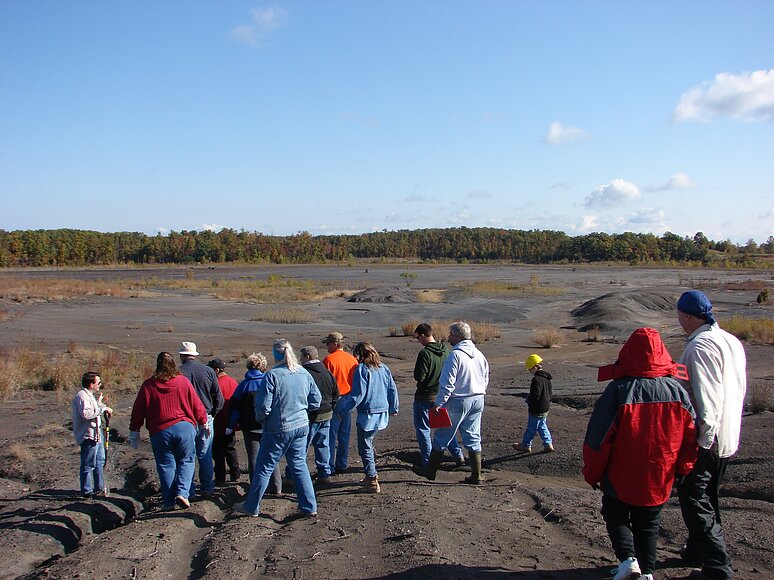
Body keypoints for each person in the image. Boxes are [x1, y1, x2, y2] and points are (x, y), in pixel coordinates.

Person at [583, 327, 698, 580]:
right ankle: (647, 572)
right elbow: (691, 435)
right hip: (660, 474)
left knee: (615, 515)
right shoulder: (677, 390)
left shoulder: (619, 390)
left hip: (621, 475)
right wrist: (683, 469)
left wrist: (592, 473)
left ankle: (628, 561)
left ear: (628, 352)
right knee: (648, 526)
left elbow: (598, 440)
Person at [676, 290, 747, 580]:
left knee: (695, 499)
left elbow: (706, 399)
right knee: (708, 497)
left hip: (708, 437)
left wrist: (701, 443)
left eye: (680, 314)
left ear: (688, 316)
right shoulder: (730, 341)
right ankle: (697, 549)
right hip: (729, 432)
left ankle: (717, 568)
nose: (679, 319)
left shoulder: (700, 347)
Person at [234, 339, 322, 518]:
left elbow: (262, 406)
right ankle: (309, 506)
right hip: (301, 426)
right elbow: (316, 400)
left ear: (275, 354)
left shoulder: (272, 375)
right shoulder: (303, 373)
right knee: (299, 465)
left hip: (278, 428)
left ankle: (251, 506)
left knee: (264, 467)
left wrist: (263, 421)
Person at [129, 352, 209, 510]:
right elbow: (196, 403)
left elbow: (138, 410)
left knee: (166, 465)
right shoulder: (182, 382)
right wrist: (203, 421)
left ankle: (169, 501)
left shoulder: (149, 385)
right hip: (184, 427)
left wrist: (134, 430)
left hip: (160, 431)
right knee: (186, 460)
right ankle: (183, 492)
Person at [414, 321, 489, 484]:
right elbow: (485, 377)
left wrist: (439, 404)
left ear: (457, 336)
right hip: (478, 399)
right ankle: (477, 474)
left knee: (442, 435)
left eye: (450, 334)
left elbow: (447, 383)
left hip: (459, 400)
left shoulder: (456, 355)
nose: (448, 337)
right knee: (473, 435)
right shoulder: (479, 354)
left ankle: (430, 471)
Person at [335, 342, 399, 493]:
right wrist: (393, 407)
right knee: (368, 443)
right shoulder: (383, 368)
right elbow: (392, 388)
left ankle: (371, 478)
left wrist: (343, 410)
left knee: (364, 446)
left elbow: (357, 394)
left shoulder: (362, 369)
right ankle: (370, 472)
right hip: (381, 412)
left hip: (368, 413)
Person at [226, 353, 282, 494]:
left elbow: (235, 409)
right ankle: (276, 486)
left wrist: (231, 426)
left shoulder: (243, 386)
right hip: (269, 425)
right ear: (262, 366)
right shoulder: (270, 381)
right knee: (271, 455)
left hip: (250, 428)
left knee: (254, 458)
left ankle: (256, 489)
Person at [412, 323, 465, 468]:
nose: (418, 341)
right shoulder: (447, 351)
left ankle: (427, 461)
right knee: (445, 428)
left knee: (423, 429)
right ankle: (458, 454)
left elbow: (419, 376)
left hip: (425, 396)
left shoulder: (425, 353)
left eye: (417, 337)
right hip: (442, 397)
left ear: (423, 335)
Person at [178, 341, 224, 499]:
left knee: (187, 456)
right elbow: (218, 397)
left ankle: (188, 490)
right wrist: (213, 414)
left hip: (186, 420)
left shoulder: (178, 373)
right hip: (206, 416)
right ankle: (207, 487)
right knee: (205, 454)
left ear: (182, 356)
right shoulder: (208, 371)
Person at [299, 345, 339, 487]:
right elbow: (336, 392)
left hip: (311, 416)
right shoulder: (327, 372)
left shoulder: (303, 373)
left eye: (301, 356)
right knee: (323, 445)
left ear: (307, 357)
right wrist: (331, 407)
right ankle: (324, 473)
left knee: (301, 447)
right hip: (327, 414)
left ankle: (294, 476)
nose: (299, 359)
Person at [322, 332, 358, 475]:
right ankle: (341, 463)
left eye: (329, 343)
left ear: (336, 344)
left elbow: (325, 383)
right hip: (349, 400)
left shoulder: (329, 360)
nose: (327, 346)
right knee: (344, 434)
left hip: (335, 401)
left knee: (331, 435)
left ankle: (329, 466)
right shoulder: (353, 360)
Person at [72, 372, 113, 497]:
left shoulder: (89, 396)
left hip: (97, 433)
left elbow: (94, 410)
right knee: (88, 463)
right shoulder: (82, 396)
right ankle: (87, 490)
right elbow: (86, 414)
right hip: (88, 434)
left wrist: (101, 404)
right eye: (98, 383)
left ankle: (99, 488)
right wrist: (101, 409)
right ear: (91, 384)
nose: (100, 385)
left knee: (99, 460)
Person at [512, 354, 555, 453]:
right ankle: (548, 444)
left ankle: (526, 445)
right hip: (546, 407)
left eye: (530, 369)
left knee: (532, 427)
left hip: (537, 408)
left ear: (535, 367)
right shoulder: (547, 378)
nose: (530, 371)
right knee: (542, 425)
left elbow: (535, 395)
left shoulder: (536, 379)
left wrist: (529, 401)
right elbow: (550, 393)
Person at [207, 358, 240, 485]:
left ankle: (220, 477)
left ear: (216, 370)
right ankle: (235, 474)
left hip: (218, 422)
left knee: (218, 452)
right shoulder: (233, 382)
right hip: (231, 422)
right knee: (230, 449)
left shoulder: (216, 384)